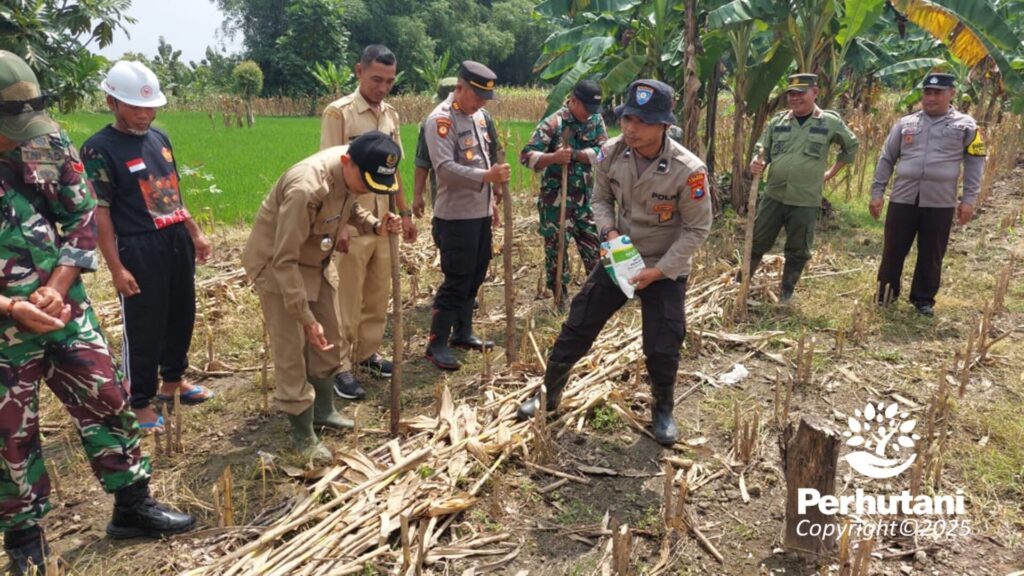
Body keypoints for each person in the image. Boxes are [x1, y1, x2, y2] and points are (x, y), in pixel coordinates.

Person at [0, 50, 194, 575]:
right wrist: (11, 305)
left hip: (65, 306)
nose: (21, 136)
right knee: (10, 430)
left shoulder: (48, 138)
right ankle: (23, 538)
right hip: (3, 326)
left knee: (108, 397)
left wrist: (60, 284)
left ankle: (132, 506)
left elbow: (82, 212)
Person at [516, 80, 713, 446]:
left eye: (641, 121)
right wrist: (608, 234)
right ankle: (549, 394)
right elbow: (600, 200)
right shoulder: (610, 153)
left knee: (663, 341)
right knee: (578, 322)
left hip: (663, 266)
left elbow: (697, 228)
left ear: (664, 125)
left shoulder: (689, 169)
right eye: (627, 118)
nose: (631, 128)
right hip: (619, 256)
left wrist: (659, 271)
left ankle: (663, 409)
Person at [242, 132, 403, 463]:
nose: (369, 189)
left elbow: (350, 205)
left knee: (328, 336)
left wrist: (375, 225)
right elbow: (283, 260)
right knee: (293, 349)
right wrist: (304, 317)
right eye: (367, 181)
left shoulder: (353, 166)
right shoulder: (306, 189)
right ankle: (302, 433)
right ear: (347, 162)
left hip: (314, 259)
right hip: (277, 267)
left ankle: (324, 410)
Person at [81, 60, 214, 434]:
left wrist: (194, 231)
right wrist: (116, 267)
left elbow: (170, 193)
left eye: (150, 106)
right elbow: (101, 213)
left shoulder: (159, 138)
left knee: (180, 312)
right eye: (135, 107)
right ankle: (138, 401)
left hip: (173, 238)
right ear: (112, 102)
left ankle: (174, 382)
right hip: (137, 246)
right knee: (144, 325)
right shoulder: (97, 149)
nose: (144, 114)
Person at [320, 45, 415, 398]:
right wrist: (339, 222)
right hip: (353, 219)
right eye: (376, 79)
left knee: (377, 292)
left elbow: (395, 170)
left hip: (385, 220)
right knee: (346, 295)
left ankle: (367, 352)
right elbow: (330, 170)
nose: (383, 87)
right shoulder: (339, 114)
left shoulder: (390, 115)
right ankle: (340, 366)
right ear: (359, 71)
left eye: (389, 81)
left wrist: (404, 214)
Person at [870, 72, 985, 316]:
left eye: (937, 93)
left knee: (932, 253)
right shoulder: (905, 123)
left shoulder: (966, 125)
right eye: (927, 92)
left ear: (951, 93)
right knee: (893, 249)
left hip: (940, 201)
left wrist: (969, 200)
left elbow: (975, 163)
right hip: (903, 198)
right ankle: (885, 295)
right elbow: (886, 158)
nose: (931, 98)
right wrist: (877, 192)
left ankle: (923, 299)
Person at [421, 61, 511, 370]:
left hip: (480, 213)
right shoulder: (439, 121)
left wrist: (492, 202)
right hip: (455, 217)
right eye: (478, 97)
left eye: (486, 98)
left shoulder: (480, 118)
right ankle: (436, 344)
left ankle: (463, 333)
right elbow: (444, 169)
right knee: (456, 279)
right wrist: (488, 177)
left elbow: (483, 157)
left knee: (476, 274)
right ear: (460, 89)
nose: (483, 103)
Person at [747, 73, 859, 303]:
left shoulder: (829, 122)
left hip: (805, 198)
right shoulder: (778, 121)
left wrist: (830, 173)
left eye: (801, 94)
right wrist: (757, 161)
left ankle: (786, 292)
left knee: (798, 248)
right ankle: (742, 282)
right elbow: (763, 148)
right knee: (757, 240)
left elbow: (851, 146)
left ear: (815, 92)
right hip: (774, 195)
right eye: (791, 94)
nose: (795, 99)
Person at [520, 80, 608, 301]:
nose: (589, 115)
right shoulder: (553, 123)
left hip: (585, 201)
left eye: (593, 110)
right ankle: (560, 297)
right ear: (573, 101)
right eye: (586, 109)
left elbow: (605, 151)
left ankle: (598, 296)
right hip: (556, 202)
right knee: (557, 252)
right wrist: (553, 158)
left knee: (596, 249)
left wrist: (578, 155)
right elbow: (526, 156)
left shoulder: (596, 120)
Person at [412, 77, 501, 221]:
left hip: (480, 201)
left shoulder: (482, 117)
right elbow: (423, 161)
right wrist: (417, 196)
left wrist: (496, 188)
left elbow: (493, 153)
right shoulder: (433, 121)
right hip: (449, 202)